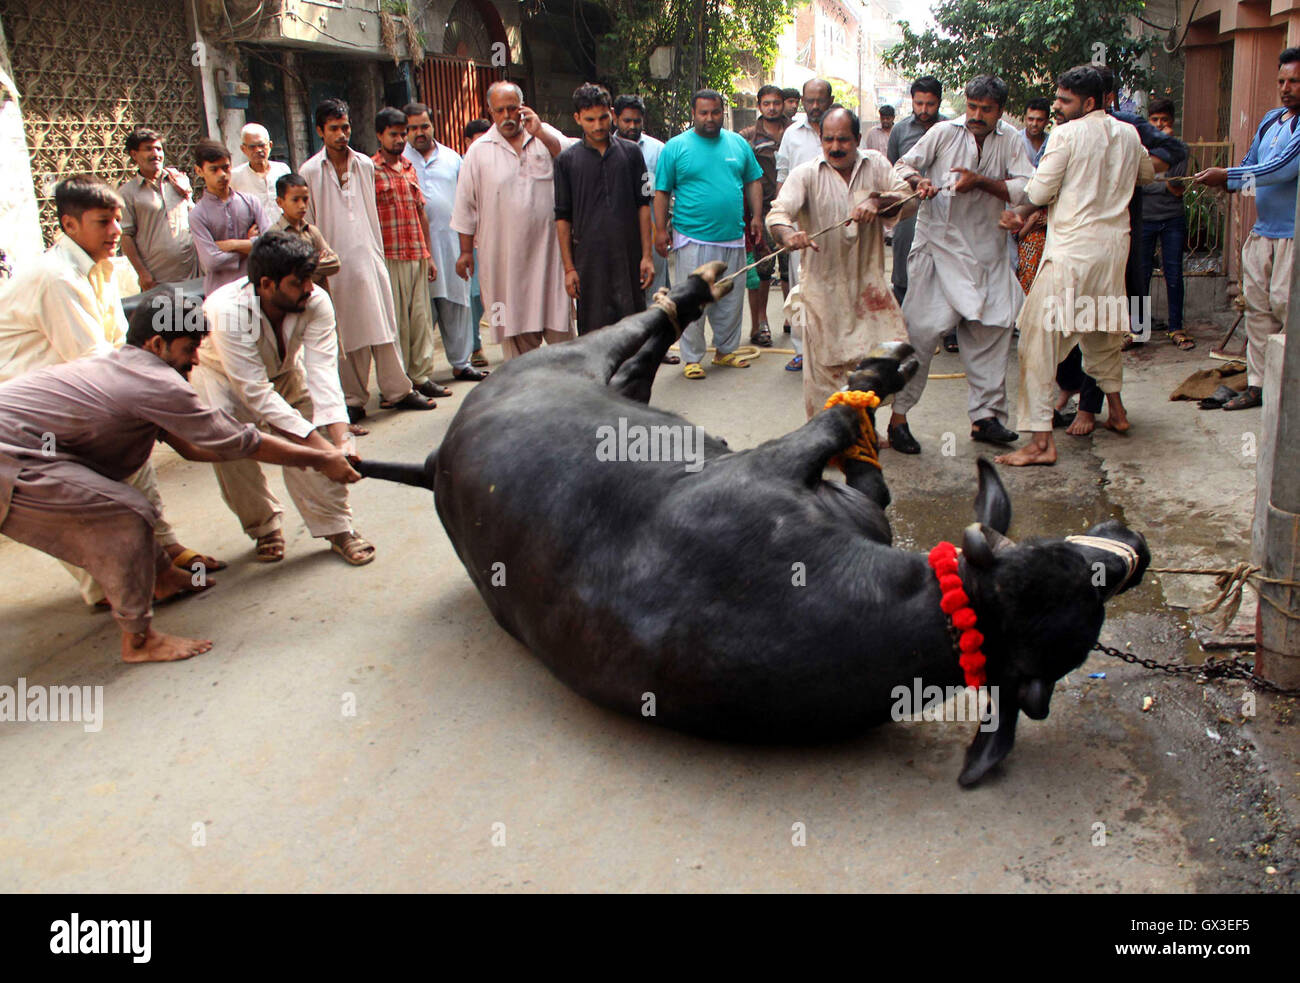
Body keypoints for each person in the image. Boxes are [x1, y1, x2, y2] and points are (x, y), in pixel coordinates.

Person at [0, 288, 360, 663]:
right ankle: (139, 641)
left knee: (127, 506)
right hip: (9, 454)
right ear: (157, 343)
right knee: (125, 514)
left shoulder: (126, 366)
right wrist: (319, 459)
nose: (194, 361)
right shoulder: (155, 382)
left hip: (20, 446)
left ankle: (163, 579)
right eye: (189, 349)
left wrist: (309, 455)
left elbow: (194, 447)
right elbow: (239, 441)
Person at [0, 175, 220, 607]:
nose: (116, 231)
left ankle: (164, 554)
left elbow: (121, 347)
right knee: (91, 488)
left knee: (131, 457)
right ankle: (119, 584)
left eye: (118, 220)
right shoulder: (58, 278)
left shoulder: (95, 269)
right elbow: (96, 362)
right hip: (26, 411)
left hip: (69, 385)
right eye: (104, 222)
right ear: (69, 224)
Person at [995, 65, 1153, 467]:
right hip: (1113, 250)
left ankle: (1040, 443)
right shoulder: (1130, 133)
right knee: (1100, 330)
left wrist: (1022, 209)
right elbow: (1147, 175)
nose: (1056, 106)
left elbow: (1040, 189)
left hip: (1072, 253)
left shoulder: (1065, 135)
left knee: (1035, 337)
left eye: (1064, 100)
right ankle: (1116, 411)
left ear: (1089, 103)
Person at [192, 232, 375, 565]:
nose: (308, 288)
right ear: (266, 284)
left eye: (309, 279)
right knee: (232, 448)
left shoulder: (315, 300)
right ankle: (265, 527)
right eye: (297, 282)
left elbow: (323, 373)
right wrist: (323, 455)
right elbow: (255, 392)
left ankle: (337, 528)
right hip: (223, 379)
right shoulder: (226, 310)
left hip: (285, 371)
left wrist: (341, 441)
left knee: (315, 435)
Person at [887, 75, 1034, 454]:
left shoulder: (1012, 139)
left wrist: (985, 185)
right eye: (972, 107)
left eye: (986, 110)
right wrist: (920, 181)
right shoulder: (942, 133)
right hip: (938, 248)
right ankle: (898, 419)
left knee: (992, 333)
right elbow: (902, 165)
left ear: (1000, 111)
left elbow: (1027, 187)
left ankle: (985, 418)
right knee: (919, 335)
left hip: (988, 252)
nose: (977, 115)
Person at [767, 107, 915, 418]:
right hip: (823, 291)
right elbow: (777, 214)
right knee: (825, 373)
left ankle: (868, 430)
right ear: (820, 140)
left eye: (844, 140)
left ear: (858, 139)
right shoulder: (805, 174)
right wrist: (788, 234)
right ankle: (828, 441)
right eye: (829, 140)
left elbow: (909, 199)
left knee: (878, 364)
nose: (835, 147)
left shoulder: (875, 163)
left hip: (869, 288)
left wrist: (877, 201)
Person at [299, 98, 434, 422]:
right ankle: (354, 400)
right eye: (334, 129)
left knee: (384, 327)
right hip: (336, 264)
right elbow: (311, 220)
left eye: (345, 127)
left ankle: (397, 391)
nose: (342, 134)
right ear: (320, 131)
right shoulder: (309, 171)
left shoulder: (363, 165)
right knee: (349, 335)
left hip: (371, 256)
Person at [1194, 46, 1300, 409]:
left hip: (1292, 238)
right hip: (1263, 232)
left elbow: (1279, 170)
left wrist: (1228, 176)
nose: (1286, 88)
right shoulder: (1272, 120)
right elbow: (1251, 163)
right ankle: (1258, 386)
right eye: (1282, 81)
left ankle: (1288, 388)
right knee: (1258, 312)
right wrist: (1228, 179)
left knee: (1288, 311)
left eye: (1295, 81)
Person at [451, 81, 576, 360]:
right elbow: (465, 206)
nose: (507, 116)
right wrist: (465, 252)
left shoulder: (545, 135)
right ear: (490, 112)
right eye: (500, 110)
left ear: (522, 106)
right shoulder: (478, 151)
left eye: (512, 108)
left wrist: (540, 132)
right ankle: (524, 400)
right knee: (515, 341)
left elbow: (573, 162)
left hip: (550, 259)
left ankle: (566, 396)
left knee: (564, 346)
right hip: (505, 263)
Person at [654, 88, 763, 379]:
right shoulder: (675, 147)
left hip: (733, 236)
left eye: (715, 112)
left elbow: (753, 181)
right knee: (692, 300)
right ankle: (691, 358)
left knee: (731, 299)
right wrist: (660, 229)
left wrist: (757, 217)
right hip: (692, 238)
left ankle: (726, 351)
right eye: (703, 113)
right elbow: (662, 191)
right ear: (693, 113)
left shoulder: (738, 144)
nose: (710, 118)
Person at [554, 83, 653, 337]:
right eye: (589, 120)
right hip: (589, 262)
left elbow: (644, 206)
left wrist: (647, 256)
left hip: (628, 258)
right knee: (594, 335)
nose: (597, 125)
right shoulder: (566, 161)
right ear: (577, 118)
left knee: (634, 332)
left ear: (611, 114)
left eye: (602, 118)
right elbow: (562, 217)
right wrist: (569, 268)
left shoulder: (631, 154)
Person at [403, 102, 489, 383]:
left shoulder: (453, 159)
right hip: (415, 249)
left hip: (452, 245)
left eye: (424, 126)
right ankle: (419, 373)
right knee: (419, 313)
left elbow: (469, 200)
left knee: (458, 305)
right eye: (413, 128)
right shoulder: (399, 161)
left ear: (432, 126)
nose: (419, 132)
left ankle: (461, 363)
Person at [373, 106, 452, 400]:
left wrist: (428, 255)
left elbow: (421, 213)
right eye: (393, 134)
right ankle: (396, 386)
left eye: (402, 134)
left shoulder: (409, 168)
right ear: (380, 135)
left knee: (420, 321)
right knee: (397, 325)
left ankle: (420, 378)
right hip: (389, 256)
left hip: (415, 253)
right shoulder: (370, 169)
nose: (399, 139)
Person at [776, 77, 834, 370]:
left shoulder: (840, 127)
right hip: (800, 227)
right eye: (808, 100)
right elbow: (782, 177)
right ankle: (800, 350)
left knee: (835, 288)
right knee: (799, 291)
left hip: (836, 225)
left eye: (819, 100)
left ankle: (831, 349)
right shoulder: (791, 134)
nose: (814, 106)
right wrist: (781, 220)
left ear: (829, 100)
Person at [737, 83, 791, 348]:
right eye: (767, 103)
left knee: (792, 269)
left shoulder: (796, 132)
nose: (772, 108)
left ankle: (793, 318)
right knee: (762, 270)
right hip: (762, 210)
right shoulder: (747, 136)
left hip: (794, 210)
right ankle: (760, 323)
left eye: (776, 103)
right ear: (759, 106)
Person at [887, 77, 946, 309]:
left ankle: (947, 330)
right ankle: (904, 323)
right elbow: (893, 169)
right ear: (912, 101)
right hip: (909, 207)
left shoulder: (951, 129)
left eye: (930, 104)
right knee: (903, 261)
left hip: (943, 207)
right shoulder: (900, 130)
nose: (923, 109)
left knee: (944, 265)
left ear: (939, 102)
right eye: (919, 103)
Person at [613, 93, 673, 315]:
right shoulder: (605, 148)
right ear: (615, 118)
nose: (632, 126)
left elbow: (663, 190)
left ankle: (658, 346)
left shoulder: (657, 149)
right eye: (626, 121)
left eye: (637, 121)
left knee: (656, 289)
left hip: (652, 227)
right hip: (618, 230)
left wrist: (663, 229)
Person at [118, 127, 198, 290]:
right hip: (158, 278)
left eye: (158, 149)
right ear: (134, 154)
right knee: (167, 316)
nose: (156, 154)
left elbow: (194, 216)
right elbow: (126, 236)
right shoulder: (127, 193)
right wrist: (142, 273)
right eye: (148, 149)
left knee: (197, 315)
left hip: (194, 271)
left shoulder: (178, 181)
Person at [1140, 97, 1191, 351]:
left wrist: (1165, 150)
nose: (1160, 125)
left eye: (1165, 121)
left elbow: (1176, 188)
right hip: (1144, 218)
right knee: (1141, 275)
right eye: (1155, 120)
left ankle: (1176, 327)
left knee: (1173, 274)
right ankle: (1136, 330)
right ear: (1148, 122)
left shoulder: (1179, 148)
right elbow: (1137, 184)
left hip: (1172, 218)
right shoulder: (1139, 148)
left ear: (1172, 123)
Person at [188, 139, 267, 295]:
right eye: (214, 169)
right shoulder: (198, 214)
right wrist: (250, 246)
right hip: (220, 292)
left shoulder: (250, 202)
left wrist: (232, 244)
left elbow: (271, 243)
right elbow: (212, 261)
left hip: (254, 287)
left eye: (226, 168)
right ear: (199, 171)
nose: (222, 175)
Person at [270, 173, 341, 285]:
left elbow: (335, 263)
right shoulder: (275, 235)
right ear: (280, 202)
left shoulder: (311, 231)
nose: (302, 205)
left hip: (318, 294)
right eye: (295, 200)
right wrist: (316, 261)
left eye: (305, 199)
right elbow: (282, 272)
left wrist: (302, 266)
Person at [463, 118, 491, 368]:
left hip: (497, 243)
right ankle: (475, 345)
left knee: (496, 295)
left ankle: (506, 338)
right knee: (474, 296)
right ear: (468, 142)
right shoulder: (463, 166)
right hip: (473, 243)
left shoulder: (497, 162)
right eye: (477, 138)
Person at [231, 123, 291, 226]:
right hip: (256, 238)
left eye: (262, 145)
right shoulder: (235, 177)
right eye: (252, 147)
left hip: (285, 232)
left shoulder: (282, 170)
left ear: (270, 145)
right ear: (243, 149)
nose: (258, 150)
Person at [1020, 97, 1051, 166]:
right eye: (1031, 119)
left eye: (1040, 120)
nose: (1034, 124)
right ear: (1024, 118)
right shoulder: (1015, 141)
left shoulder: (1052, 143)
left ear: (1047, 121)